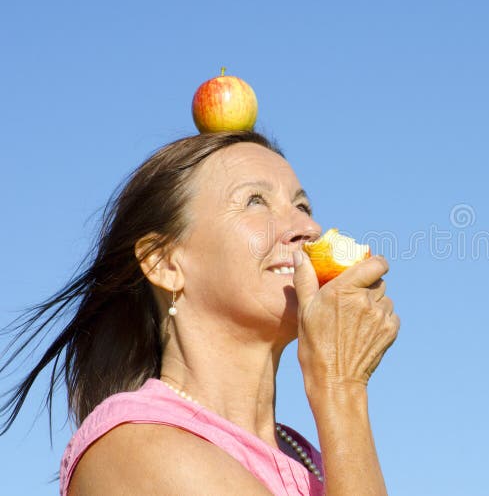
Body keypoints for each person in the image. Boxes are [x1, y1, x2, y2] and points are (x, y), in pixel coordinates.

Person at [0, 131, 400, 495]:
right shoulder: (136, 446)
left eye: (302, 204)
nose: (309, 228)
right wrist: (341, 388)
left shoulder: (312, 458)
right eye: (255, 201)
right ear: (164, 264)